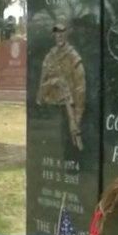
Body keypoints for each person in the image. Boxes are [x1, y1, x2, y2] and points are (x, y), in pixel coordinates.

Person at [38, 22, 85, 151]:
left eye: (62, 33)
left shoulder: (73, 57)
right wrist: (53, 83)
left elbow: (80, 89)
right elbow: (40, 92)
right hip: (51, 110)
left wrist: (76, 118)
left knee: (70, 149)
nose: (59, 36)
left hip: (68, 110)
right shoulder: (49, 57)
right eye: (56, 33)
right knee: (53, 149)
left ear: (67, 34)